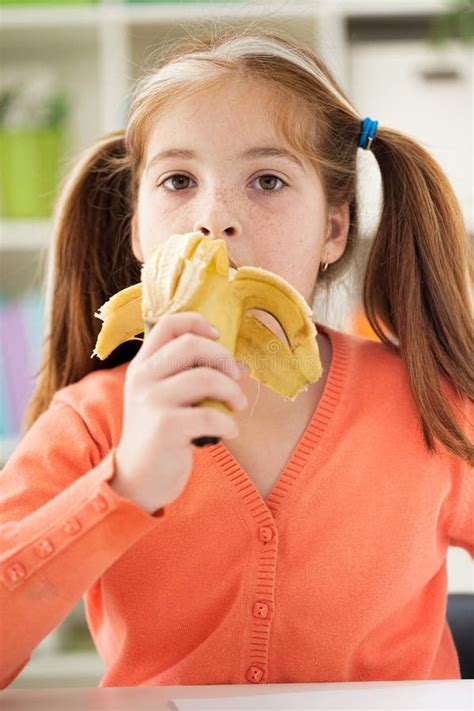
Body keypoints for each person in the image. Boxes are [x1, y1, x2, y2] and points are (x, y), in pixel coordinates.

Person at [0, 26, 472, 689]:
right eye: (178, 180)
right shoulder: (92, 422)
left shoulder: (431, 403)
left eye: (268, 179)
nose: (214, 218)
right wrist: (126, 484)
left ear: (333, 229)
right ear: (137, 226)